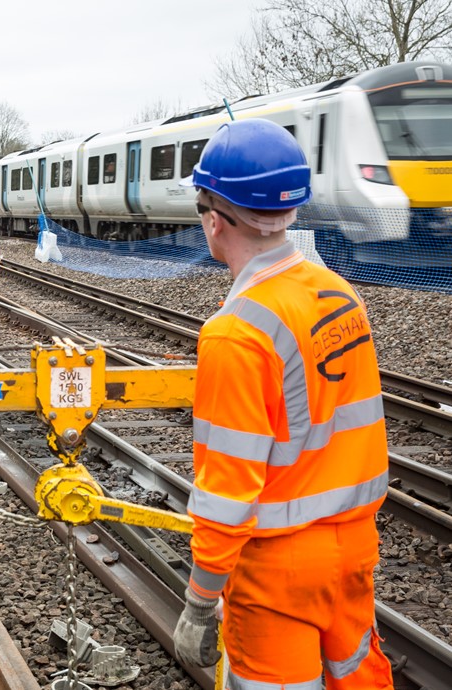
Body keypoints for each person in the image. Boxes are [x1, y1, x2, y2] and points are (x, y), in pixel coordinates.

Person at [173, 119, 394, 689]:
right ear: (290, 212)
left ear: (214, 222)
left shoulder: (235, 333)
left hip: (278, 570)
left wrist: (200, 601)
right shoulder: (338, 294)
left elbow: (227, 493)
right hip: (355, 546)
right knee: (357, 676)